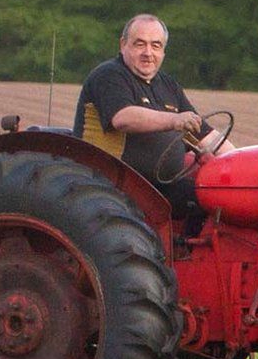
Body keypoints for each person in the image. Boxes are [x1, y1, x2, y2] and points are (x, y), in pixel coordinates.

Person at [75, 14, 221, 217]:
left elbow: (205, 136)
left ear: (163, 51)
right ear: (123, 44)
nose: (148, 53)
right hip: (110, 184)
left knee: (208, 202)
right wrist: (175, 120)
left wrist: (241, 160)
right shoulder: (109, 75)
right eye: (140, 44)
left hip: (156, 186)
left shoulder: (168, 85)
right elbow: (123, 117)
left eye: (156, 45)